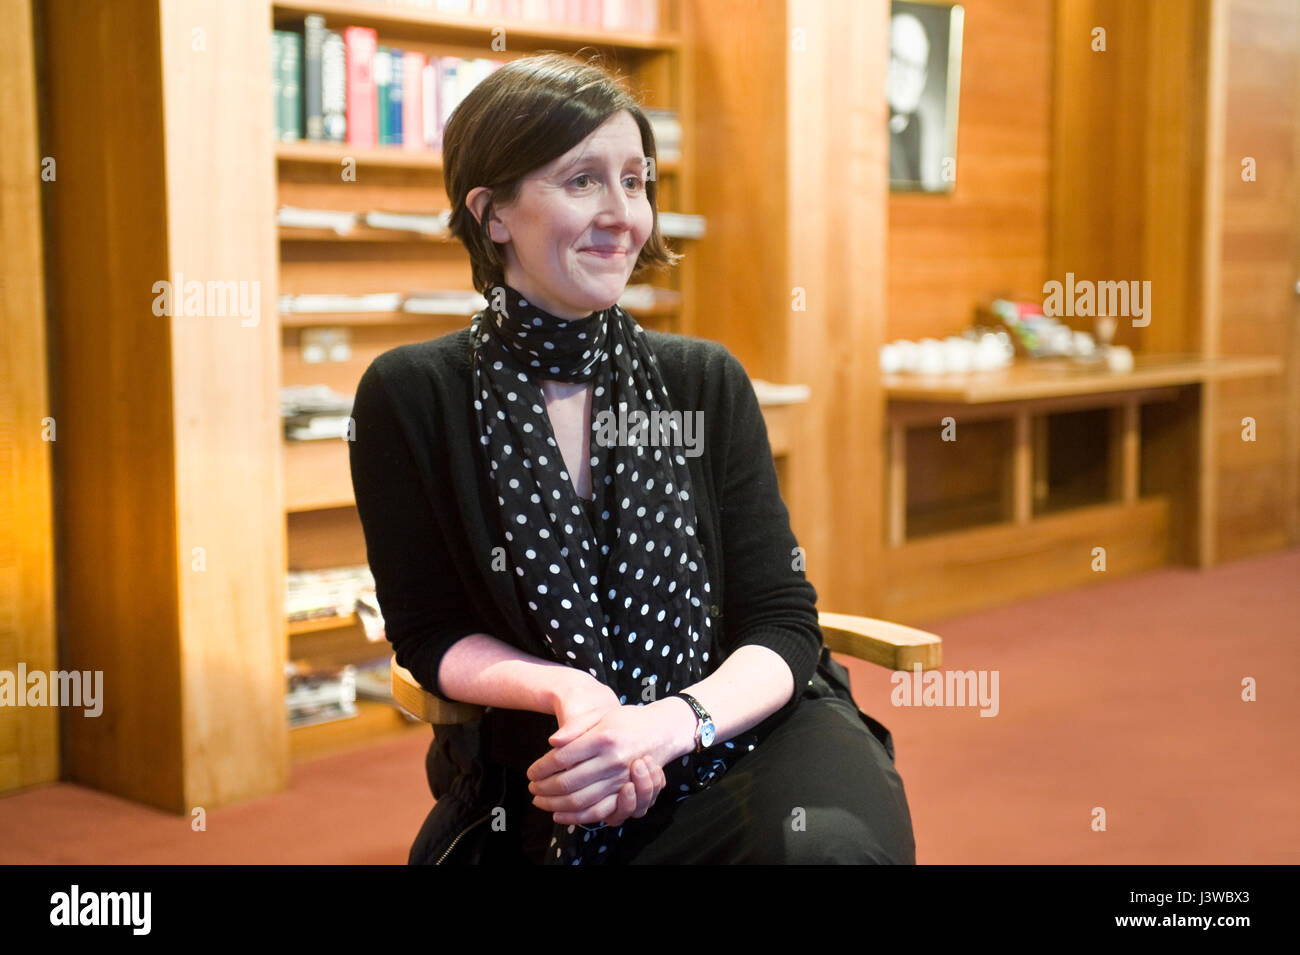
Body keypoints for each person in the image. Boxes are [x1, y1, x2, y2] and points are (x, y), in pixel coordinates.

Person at [348, 52, 916, 864]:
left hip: (741, 729)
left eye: (637, 181)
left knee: (826, 853)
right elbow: (429, 629)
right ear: (492, 213)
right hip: (554, 760)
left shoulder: (701, 380)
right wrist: (571, 693)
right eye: (582, 180)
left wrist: (661, 724)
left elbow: (782, 619)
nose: (624, 214)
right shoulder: (411, 395)